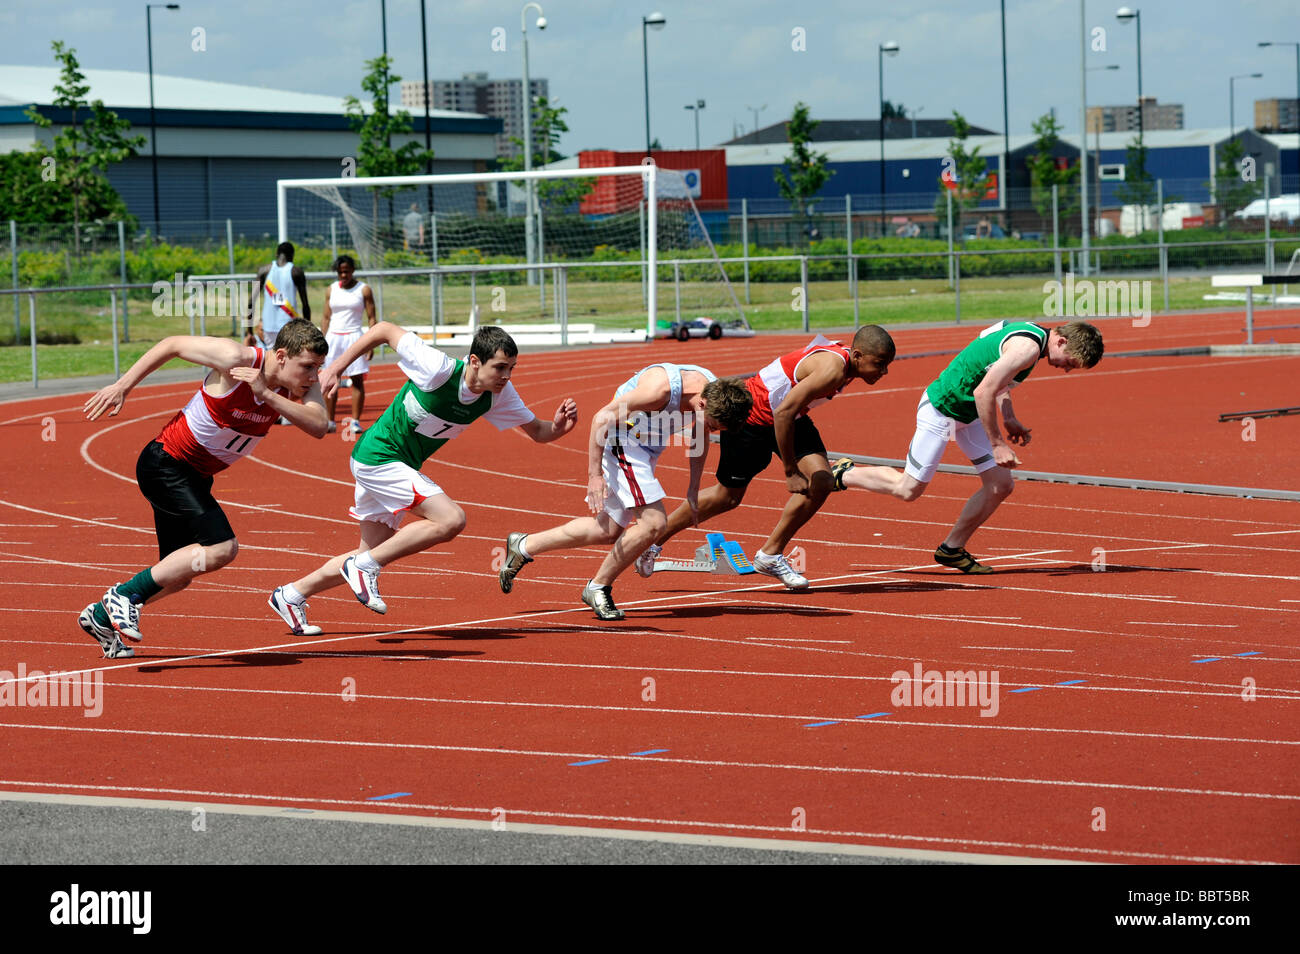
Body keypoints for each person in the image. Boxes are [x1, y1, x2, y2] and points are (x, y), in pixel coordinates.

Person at [266, 321, 578, 634]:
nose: (507, 376)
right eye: (500, 367)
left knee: (367, 553)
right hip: (378, 457)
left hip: (396, 466)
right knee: (451, 519)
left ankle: (291, 595)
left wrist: (559, 428)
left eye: (512, 368)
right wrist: (336, 367)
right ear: (474, 362)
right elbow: (383, 330)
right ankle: (365, 568)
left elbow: (538, 431)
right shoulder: (438, 368)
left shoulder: (498, 394)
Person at [79, 319, 329, 658]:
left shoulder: (295, 385)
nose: (315, 376)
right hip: (166, 464)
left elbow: (318, 426)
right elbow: (171, 344)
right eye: (308, 367)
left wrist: (266, 394)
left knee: (178, 575)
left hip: (195, 476)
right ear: (281, 356)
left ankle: (99, 616)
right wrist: (123, 386)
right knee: (222, 548)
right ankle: (124, 597)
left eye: (318, 368)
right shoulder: (235, 359)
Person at [831, 320, 1104, 573]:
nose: (1066, 368)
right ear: (1062, 342)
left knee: (1000, 484)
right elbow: (983, 390)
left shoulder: (1029, 334)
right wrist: (997, 444)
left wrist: (1008, 417)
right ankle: (845, 473)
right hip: (942, 408)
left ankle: (951, 548)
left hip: (969, 414)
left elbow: (994, 373)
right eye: (1070, 362)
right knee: (908, 489)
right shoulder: (1028, 348)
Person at [642, 326, 896, 591]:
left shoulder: (843, 364)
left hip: (791, 417)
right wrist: (790, 471)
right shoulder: (833, 370)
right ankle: (653, 540)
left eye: (887, 365)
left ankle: (770, 556)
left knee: (821, 482)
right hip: (750, 418)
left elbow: (789, 409)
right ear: (856, 355)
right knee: (726, 498)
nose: (884, 372)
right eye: (879, 364)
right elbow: (783, 412)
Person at [496, 364, 753, 621]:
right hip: (622, 441)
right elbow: (601, 418)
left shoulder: (713, 390)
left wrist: (693, 489)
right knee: (654, 523)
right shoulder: (658, 391)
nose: (712, 432)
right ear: (702, 405)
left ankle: (524, 545)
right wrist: (594, 476)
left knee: (606, 529)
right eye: (713, 426)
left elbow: (699, 437)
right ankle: (598, 587)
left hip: (646, 447)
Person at [321, 254, 377, 435]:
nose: (343, 275)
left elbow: (371, 318)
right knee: (330, 380)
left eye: (346, 272)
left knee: (357, 380)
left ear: (352, 270)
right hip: (333, 338)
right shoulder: (331, 290)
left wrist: (371, 343)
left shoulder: (364, 290)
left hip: (355, 337)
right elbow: (326, 317)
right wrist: (321, 341)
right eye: (339, 272)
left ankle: (355, 421)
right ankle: (329, 421)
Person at [246, 242, 311, 351]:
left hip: (268, 326)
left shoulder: (264, 271)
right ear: (292, 255)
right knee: (288, 358)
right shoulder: (296, 272)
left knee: (272, 358)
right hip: (289, 326)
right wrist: (308, 329)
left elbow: (251, 302)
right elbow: (305, 305)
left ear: (276, 254)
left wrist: (249, 331)